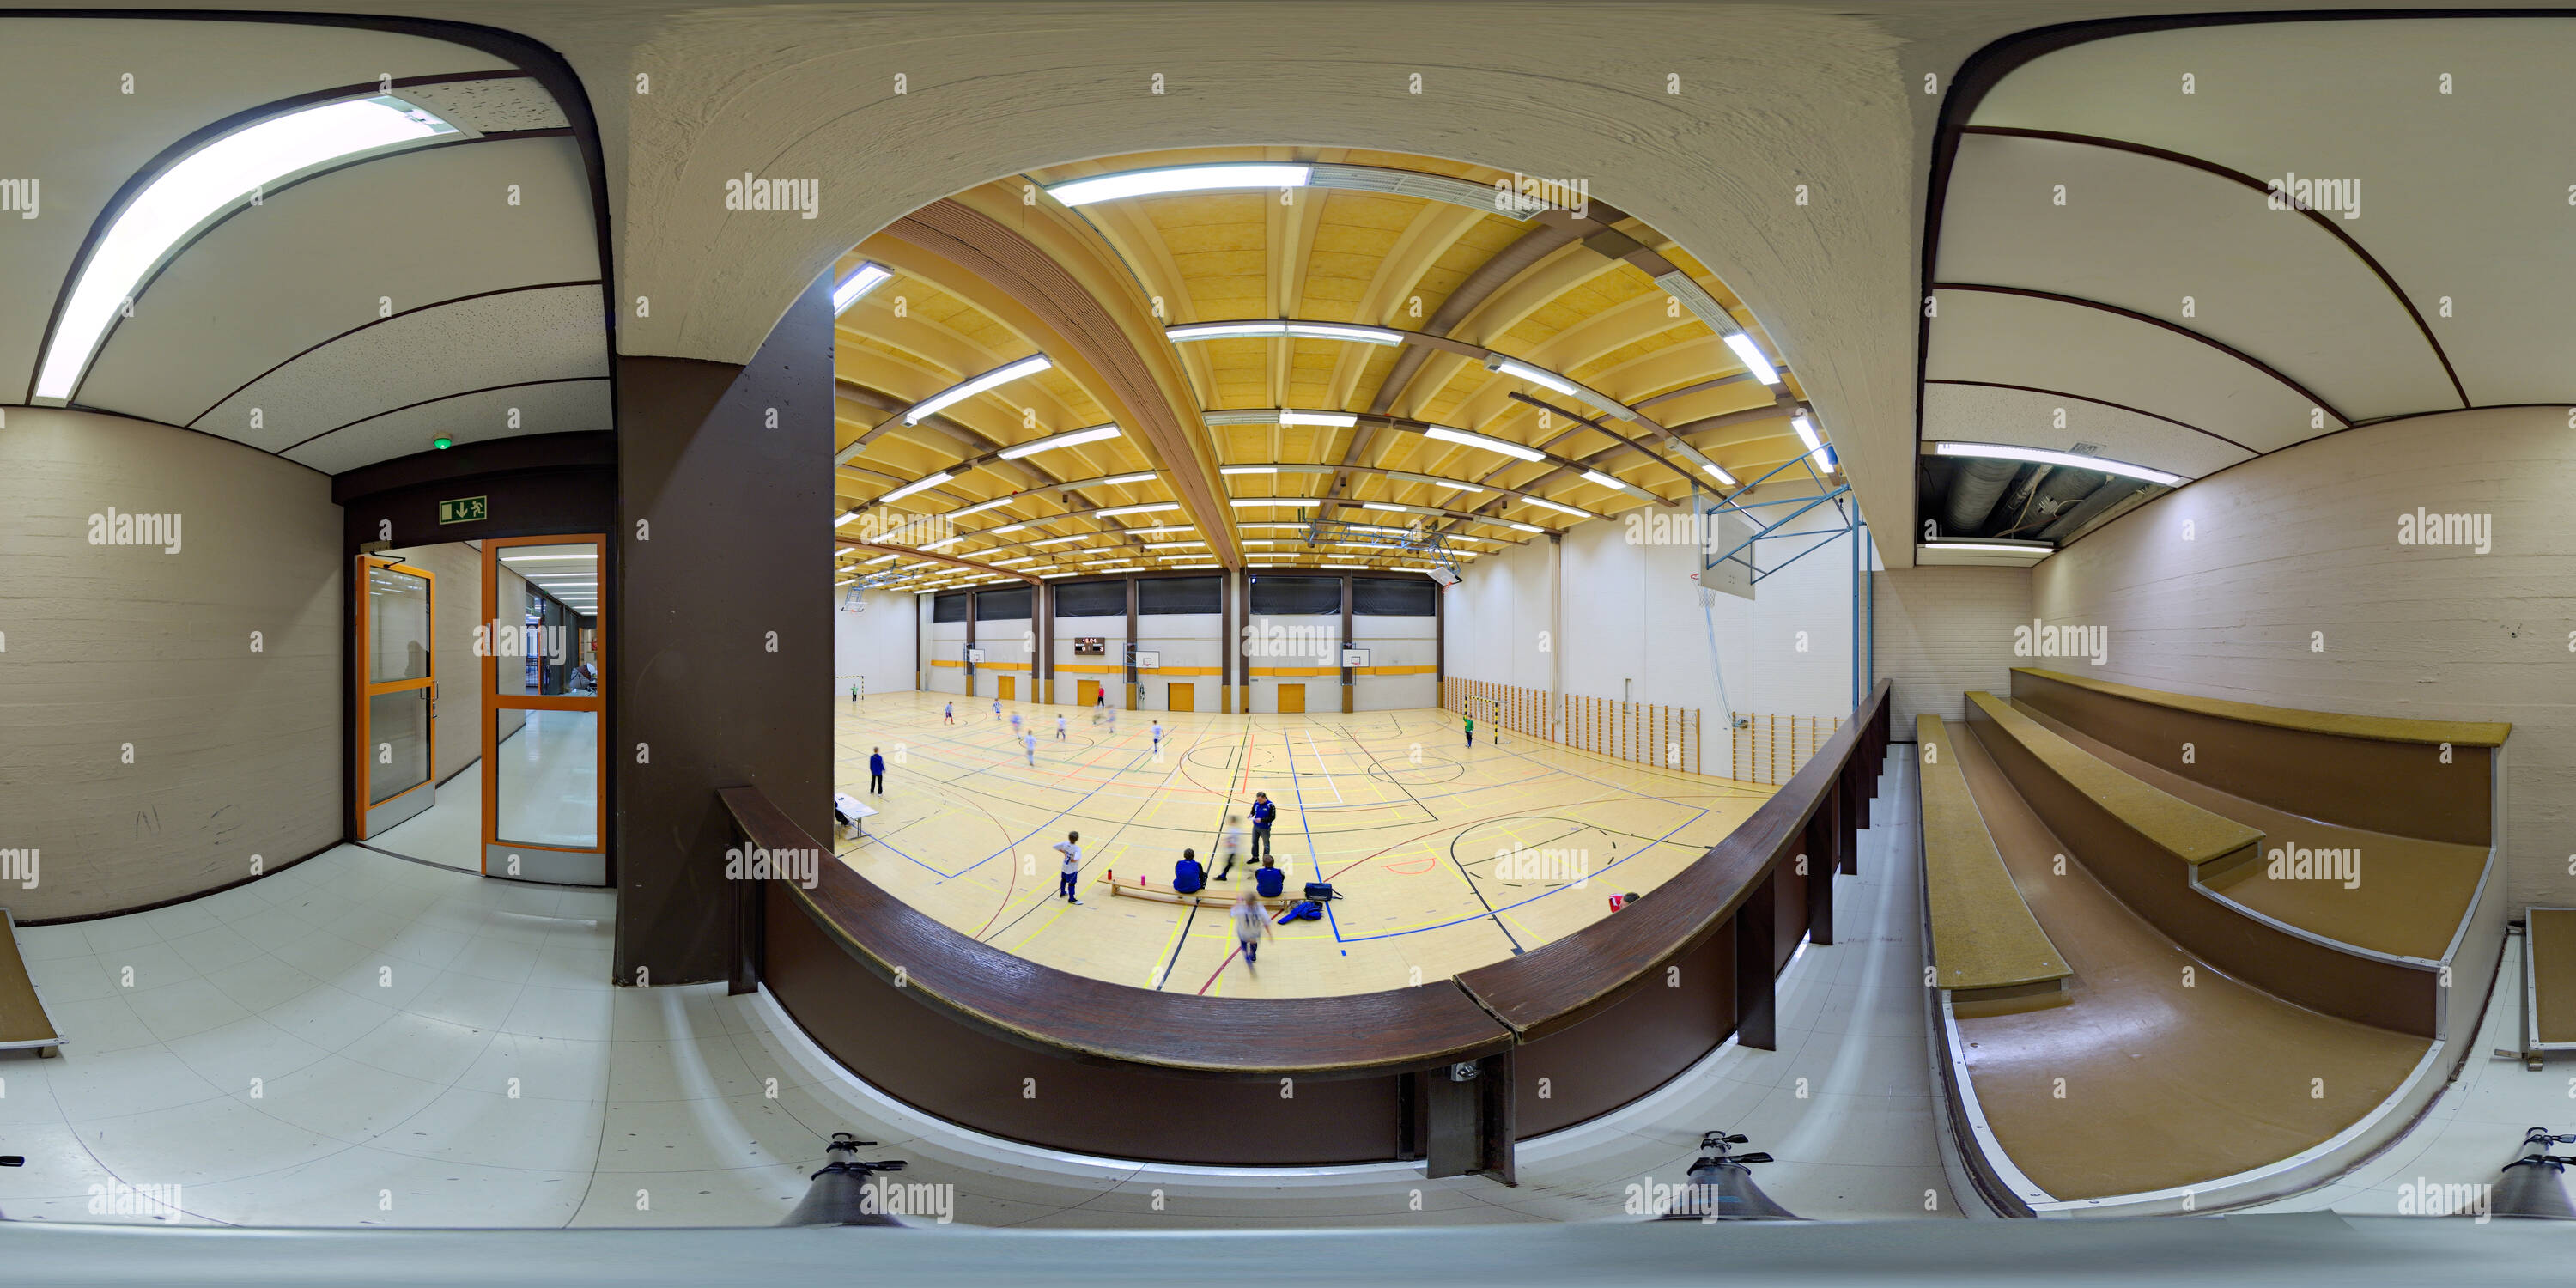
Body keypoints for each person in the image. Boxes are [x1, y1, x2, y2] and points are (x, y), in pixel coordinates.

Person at [1231, 888, 1270, 969]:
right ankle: (1253, 954)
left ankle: (1245, 951)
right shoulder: (1260, 909)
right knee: (1254, 940)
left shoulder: (1241, 909)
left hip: (1244, 931)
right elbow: (1266, 921)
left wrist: (1238, 902)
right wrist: (1270, 934)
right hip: (1255, 932)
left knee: (1242, 937)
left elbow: (1232, 914)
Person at [1053, 832, 1082, 903]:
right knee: (1072, 884)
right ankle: (1071, 899)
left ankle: (1062, 892)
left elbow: (1055, 846)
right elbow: (1074, 859)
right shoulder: (1077, 849)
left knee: (1063, 880)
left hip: (1064, 867)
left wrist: (1065, 853)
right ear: (1077, 839)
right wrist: (1071, 857)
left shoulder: (1065, 843)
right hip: (1072, 869)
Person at [1213, 815, 1245, 881]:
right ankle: (1251, 872)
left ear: (1233, 822)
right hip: (1232, 850)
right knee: (1234, 864)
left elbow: (1236, 842)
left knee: (1230, 863)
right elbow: (1230, 838)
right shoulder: (1232, 829)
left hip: (1234, 851)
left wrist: (1228, 843)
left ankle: (1223, 876)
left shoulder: (1236, 831)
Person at [1249, 792, 1276, 860]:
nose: (1258, 801)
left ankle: (1266, 860)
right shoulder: (1256, 802)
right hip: (1255, 827)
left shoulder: (1270, 805)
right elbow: (1253, 810)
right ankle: (1255, 857)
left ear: (1264, 798)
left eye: (1260, 800)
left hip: (1265, 828)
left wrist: (1261, 820)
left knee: (1266, 844)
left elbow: (1272, 818)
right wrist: (1251, 815)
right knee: (1254, 842)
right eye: (1258, 800)